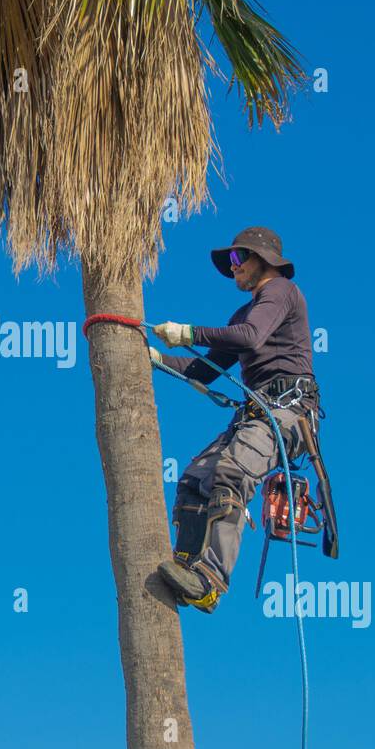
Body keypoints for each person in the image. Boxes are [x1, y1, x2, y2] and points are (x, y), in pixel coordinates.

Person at [150, 226, 323, 614]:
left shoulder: (280, 291)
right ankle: (187, 565)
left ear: (261, 259)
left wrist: (188, 331)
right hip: (258, 415)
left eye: (236, 259)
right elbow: (203, 369)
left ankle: (211, 580)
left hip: (288, 413)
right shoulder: (243, 314)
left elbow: (250, 337)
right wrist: (155, 359)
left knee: (231, 471)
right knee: (196, 479)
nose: (232, 269)